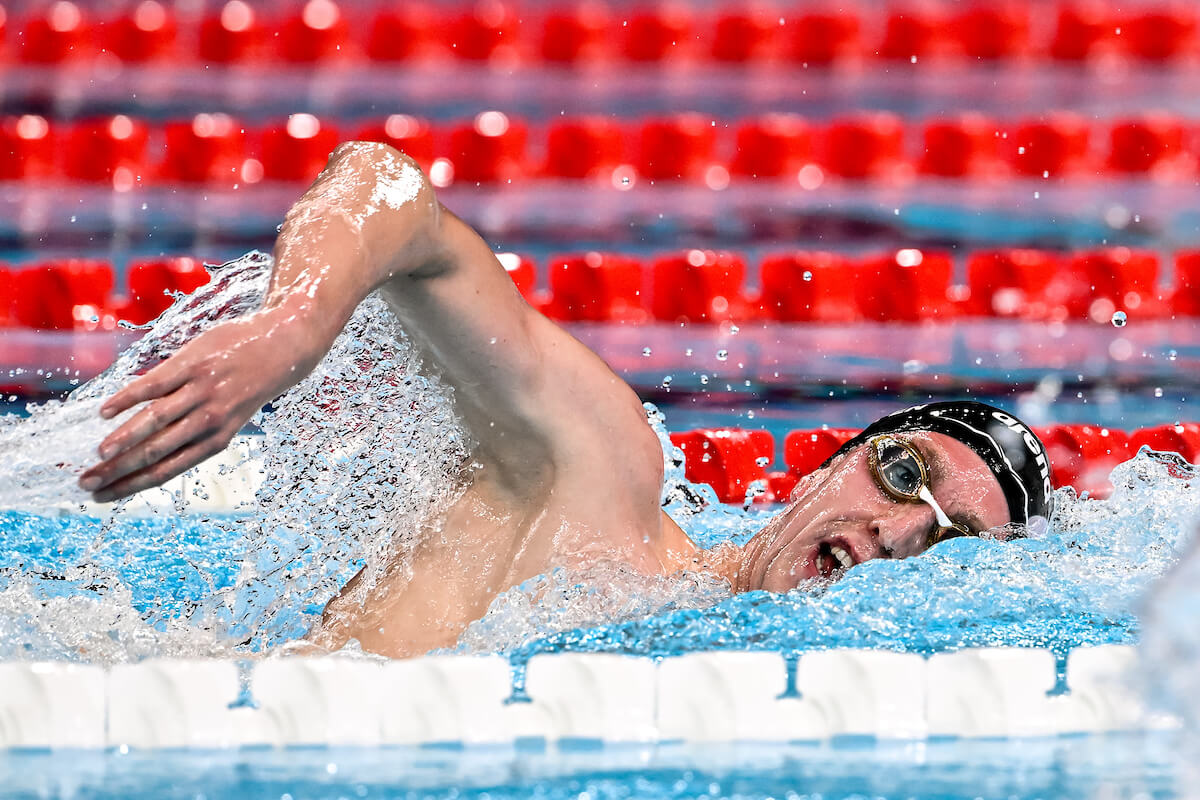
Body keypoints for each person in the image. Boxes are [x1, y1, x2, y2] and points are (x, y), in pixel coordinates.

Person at [76, 142, 1053, 658]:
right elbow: (393, 192)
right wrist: (296, 323)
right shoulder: (597, 480)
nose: (897, 532)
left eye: (952, 540)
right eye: (902, 473)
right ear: (826, 464)